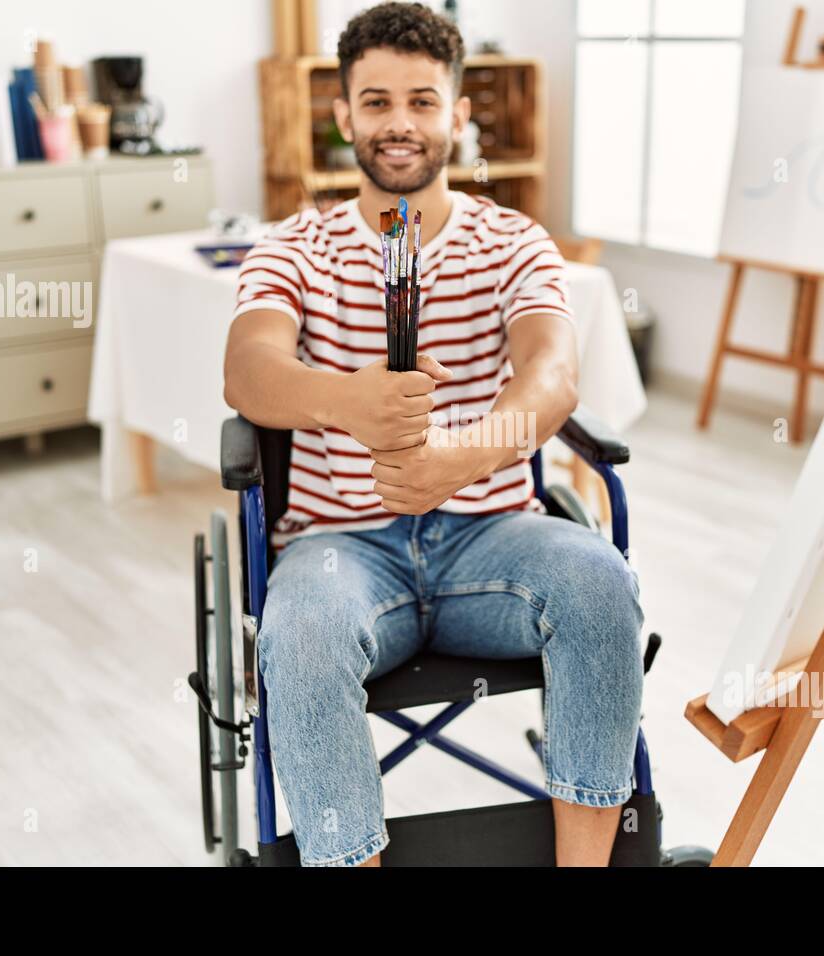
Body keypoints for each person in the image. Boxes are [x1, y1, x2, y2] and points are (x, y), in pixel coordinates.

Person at [224, 1, 643, 866]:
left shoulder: (515, 242)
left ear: (458, 114)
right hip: (342, 548)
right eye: (375, 102)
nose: (399, 123)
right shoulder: (292, 246)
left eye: (422, 101)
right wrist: (347, 401)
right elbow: (248, 372)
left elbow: (553, 377)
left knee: (600, 582)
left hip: (494, 539)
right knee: (295, 635)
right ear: (343, 117)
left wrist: (460, 457)